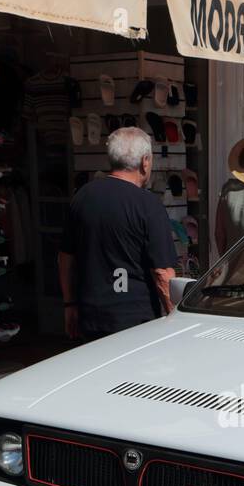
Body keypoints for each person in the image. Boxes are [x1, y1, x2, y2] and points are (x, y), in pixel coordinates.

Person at [58, 127, 176, 341]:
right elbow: (162, 273)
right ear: (145, 161)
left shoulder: (82, 197)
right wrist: (174, 316)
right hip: (135, 322)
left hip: (90, 317)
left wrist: (69, 304)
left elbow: (66, 257)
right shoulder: (148, 205)